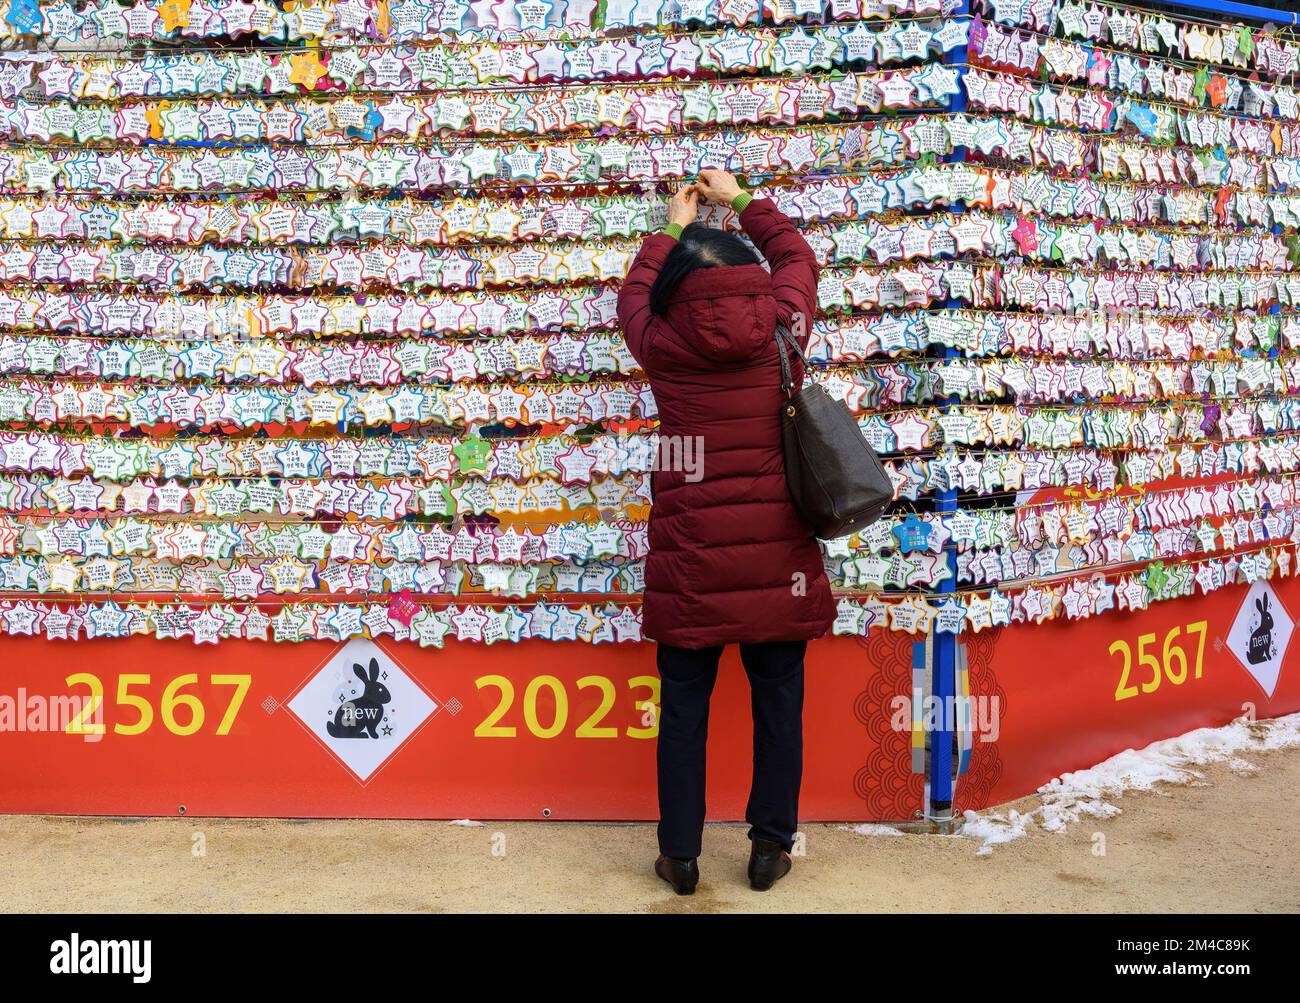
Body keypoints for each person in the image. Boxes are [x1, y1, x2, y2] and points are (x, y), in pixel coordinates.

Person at [616, 169, 835, 894]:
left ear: (679, 277)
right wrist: (742, 199)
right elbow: (797, 256)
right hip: (779, 550)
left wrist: (672, 224)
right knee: (779, 703)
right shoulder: (782, 321)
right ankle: (771, 845)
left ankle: (679, 854)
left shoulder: (661, 337)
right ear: (754, 278)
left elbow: (633, 296)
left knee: (683, 707)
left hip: (691, 556)